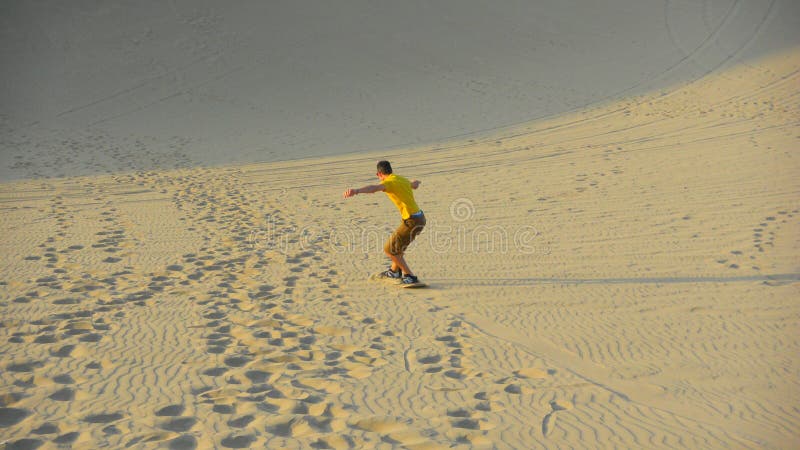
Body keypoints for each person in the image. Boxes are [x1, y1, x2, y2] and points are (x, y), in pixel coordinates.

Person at [343, 160, 425, 285]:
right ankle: (394, 272)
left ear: (379, 174)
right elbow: (414, 185)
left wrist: (356, 191)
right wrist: (416, 181)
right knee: (398, 247)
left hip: (411, 221)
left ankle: (410, 276)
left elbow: (374, 188)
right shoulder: (400, 179)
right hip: (420, 218)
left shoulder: (389, 182)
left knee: (389, 250)